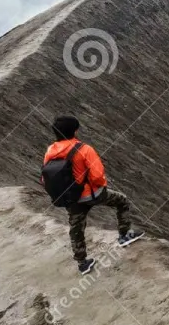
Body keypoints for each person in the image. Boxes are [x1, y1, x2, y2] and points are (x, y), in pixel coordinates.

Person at [41, 116, 143, 274]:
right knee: (122, 201)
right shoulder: (84, 149)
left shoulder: (50, 151)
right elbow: (96, 175)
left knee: (76, 227)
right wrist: (100, 187)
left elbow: (44, 177)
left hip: (70, 198)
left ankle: (82, 263)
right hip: (91, 194)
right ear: (75, 131)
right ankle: (124, 236)